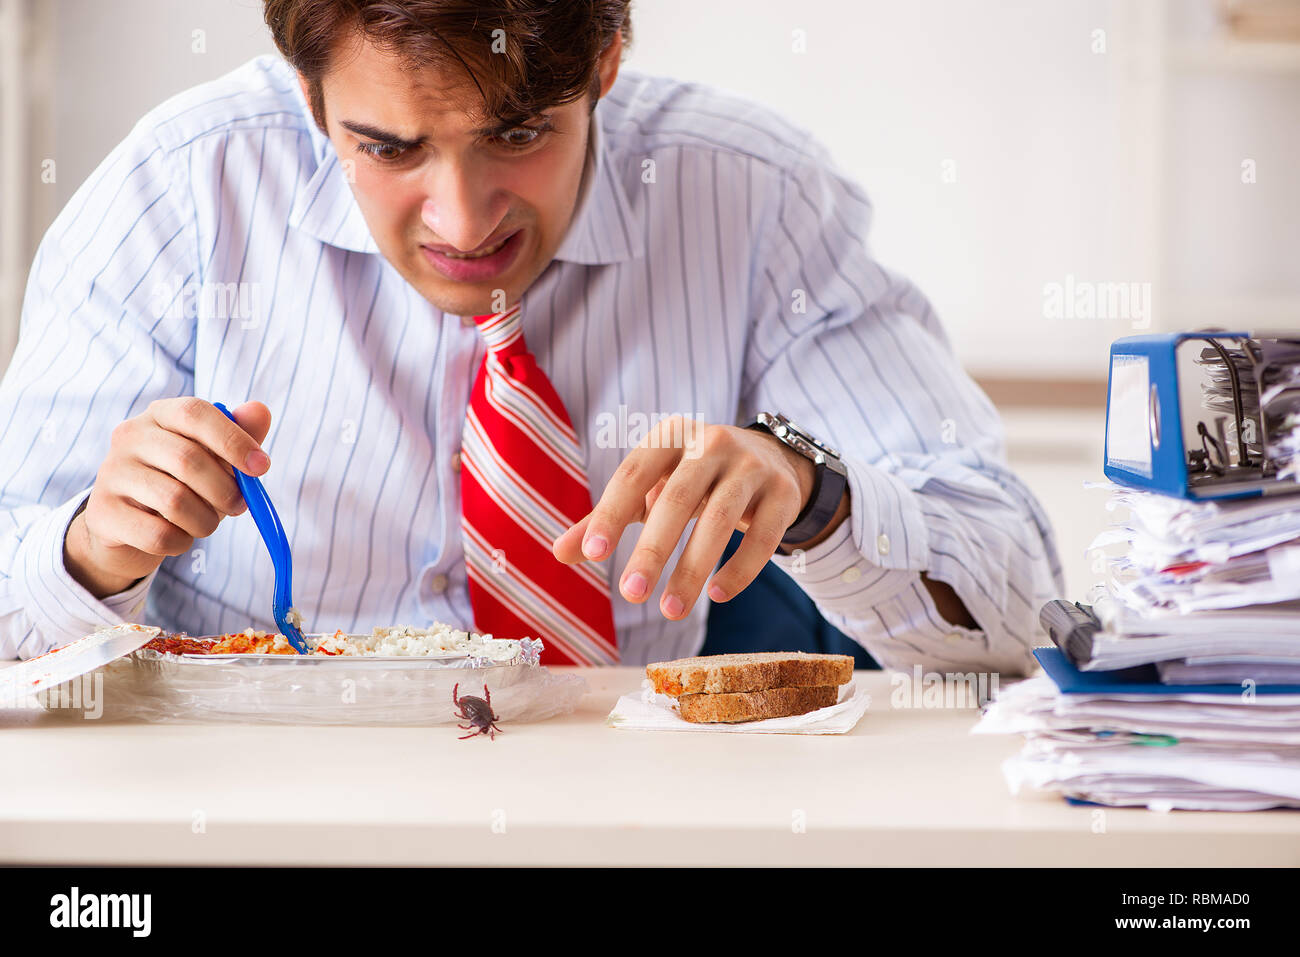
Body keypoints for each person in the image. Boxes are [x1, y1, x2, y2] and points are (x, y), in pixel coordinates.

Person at [0, 0, 1061, 672]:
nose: (462, 224)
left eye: (516, 136)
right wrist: (87, 552)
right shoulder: (179, 190)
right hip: (253, 821)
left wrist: (818, 495)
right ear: (309, 96)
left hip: (626, 820)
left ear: (603, 62)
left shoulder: (755, 197)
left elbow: (1021, 607)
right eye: (387, 147)